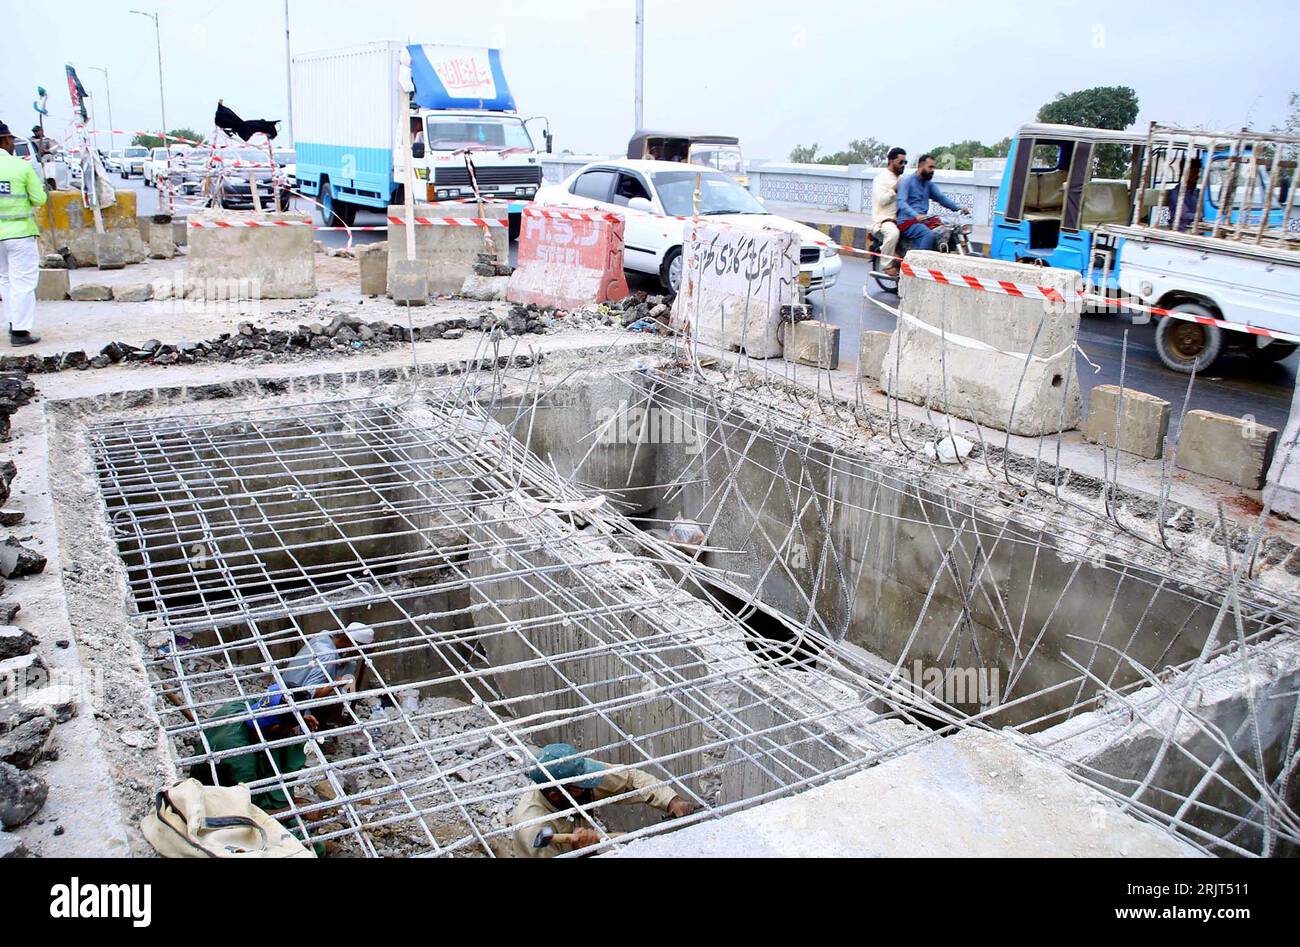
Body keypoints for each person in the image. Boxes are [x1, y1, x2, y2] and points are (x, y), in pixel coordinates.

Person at [511, 743, 697, 858]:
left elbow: (630, 778)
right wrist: (581, 852)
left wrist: (672, 800)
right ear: (555, 795)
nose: (590, 786)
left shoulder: (577, 774)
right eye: (582, 786)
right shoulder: (533, 827)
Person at [191, 687, 315, 814]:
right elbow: (252, 814)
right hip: (210, 795)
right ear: (275, 728)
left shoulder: (238, 706)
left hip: (211, 754)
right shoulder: (243, 762)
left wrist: (297, 720)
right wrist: (296, 811)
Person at [0, 121, 49, 347]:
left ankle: (12, 321)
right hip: (19, 234)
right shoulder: (20, 167)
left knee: (5, 280)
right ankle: (19, 331)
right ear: (6, 140)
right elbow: (39, 199)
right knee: (23, 282)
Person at [896, 153, 969, 253]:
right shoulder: (906, 181)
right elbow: (901, 202)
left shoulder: (928, 184)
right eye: (930, 167)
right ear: (920, 166)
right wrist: (915, 215)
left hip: (923, 220)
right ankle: (919, 263)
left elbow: (941, 198)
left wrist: (959, 208)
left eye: (934, 167)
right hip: (907, 221)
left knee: (949, 228)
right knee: (928, 235)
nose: (932, 170)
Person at [281, 621, 374, 698]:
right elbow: (311, 693)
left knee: (350, 664)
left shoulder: (323, 636)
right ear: (350, 644)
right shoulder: (328, 656)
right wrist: (337, 682)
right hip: (293, 698)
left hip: (283, 687)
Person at [871, 147, 908, 276]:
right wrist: (894, 189)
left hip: (902, 219)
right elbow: (881, 200)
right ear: (891, 161)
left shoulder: (903, 179)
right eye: (900, 162)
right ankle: (886, 264)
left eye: (905, 162)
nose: (903, 165)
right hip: (884, 221)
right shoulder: (881, 178)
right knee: (893, 234)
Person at [1166, 156, 1202, 233]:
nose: (1197, 176)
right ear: (1185, 173)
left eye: (1198, 172)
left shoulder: (1196, 192)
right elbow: (1184, 215)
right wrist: (1203, 217)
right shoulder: (1176, 193)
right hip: (1181, 230)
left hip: (1195, 229)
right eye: (1194, 172)